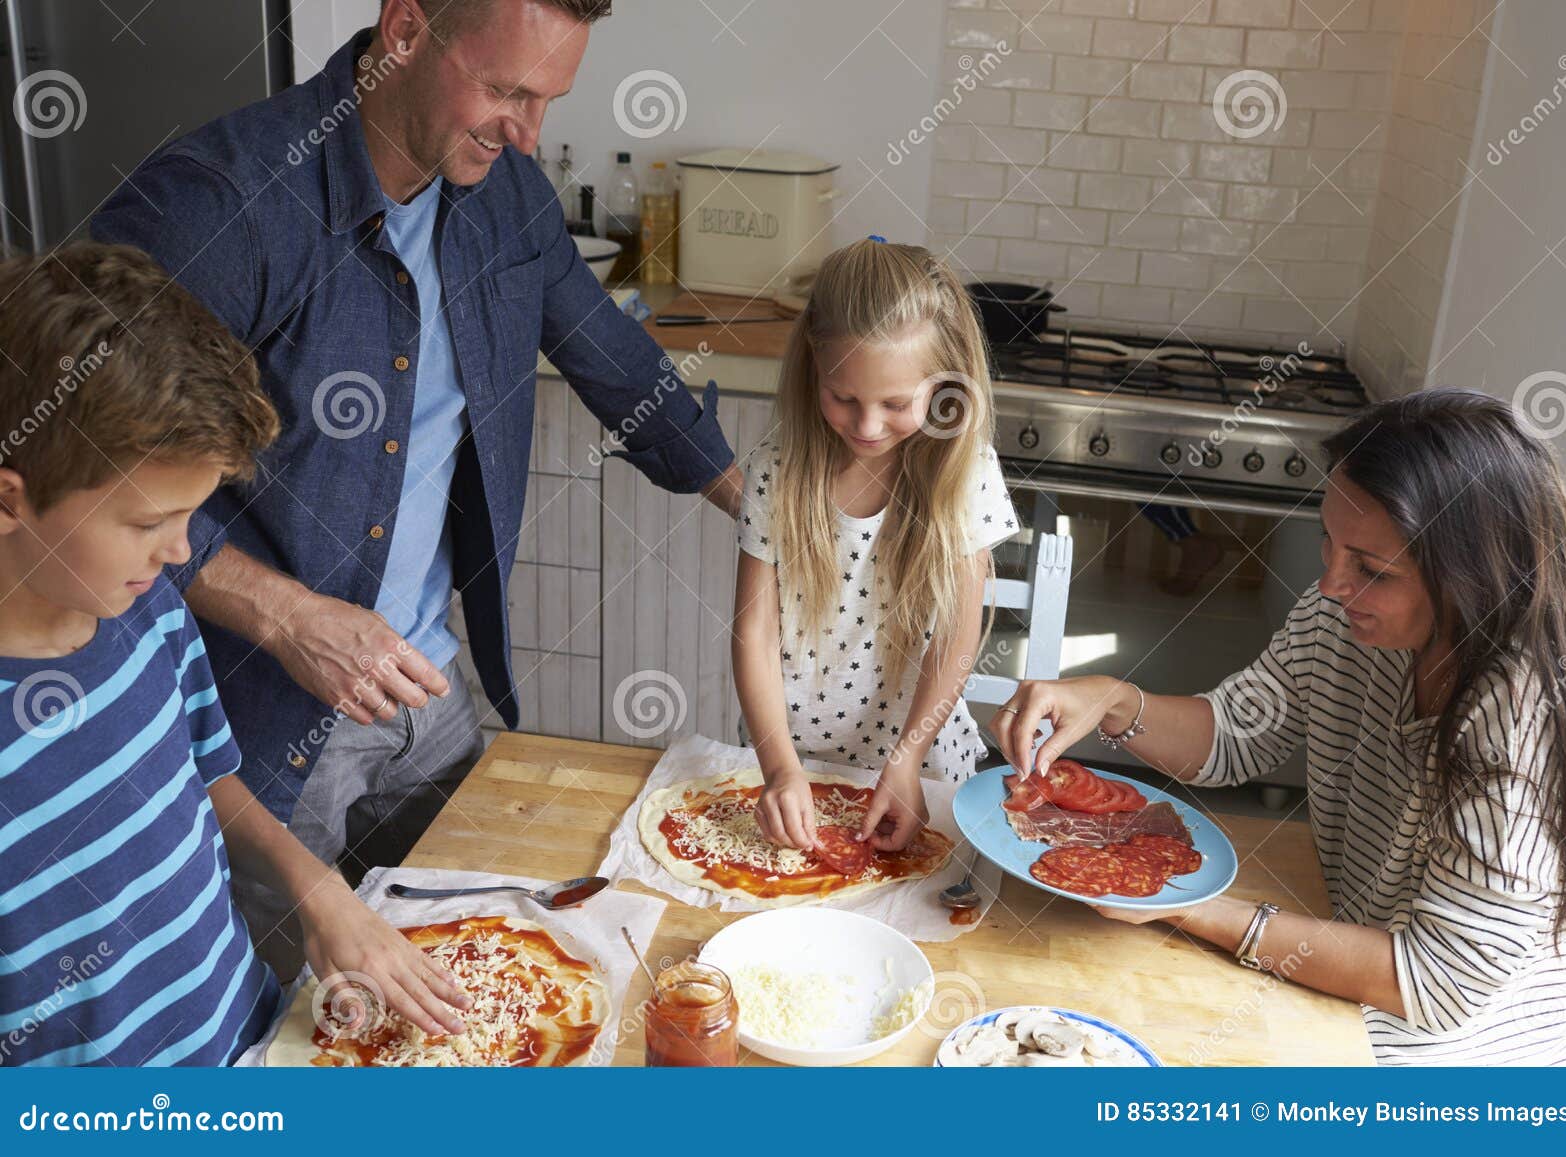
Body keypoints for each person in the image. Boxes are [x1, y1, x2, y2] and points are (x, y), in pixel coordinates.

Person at [91, 0, 742, 977]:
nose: (525, 132)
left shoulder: (503, 192)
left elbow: (612, 359)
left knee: (476, 984)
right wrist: (286, 613)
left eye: (546, 99)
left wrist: (766, 508)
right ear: (404, 30)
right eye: (505, 89)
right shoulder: (222, 199)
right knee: (298, 1024)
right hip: (252, 730)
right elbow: (79, 463)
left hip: (425, 692)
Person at [992, 389, 1566, 1065]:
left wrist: (1189, 907)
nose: (1333, 584)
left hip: (1476, 1055)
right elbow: (1235, 734)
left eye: (1373, 570)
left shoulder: (1521, 716)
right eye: (1329, 543)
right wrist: (1111, 699)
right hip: (1354, 960)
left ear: (1469, 580)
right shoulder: (1343, 617)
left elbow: (1439, 981)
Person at [0, 245, 469, 1065]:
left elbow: (208, 777)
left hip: (246, 1050)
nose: (180, 549)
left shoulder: (150, 615)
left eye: (193, 513)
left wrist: (317, 889)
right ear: (11, 498)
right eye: (149, 525)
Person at [733, 239, 1018, 855]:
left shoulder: (965, 475)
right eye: (843, 397)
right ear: (813, 368)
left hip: (926, 766)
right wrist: (780, 768)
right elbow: (752, 634)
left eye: (894, 404)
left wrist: (906, 761)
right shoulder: (775, 470)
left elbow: (956, 639)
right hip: (790, 764)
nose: (866, 427)